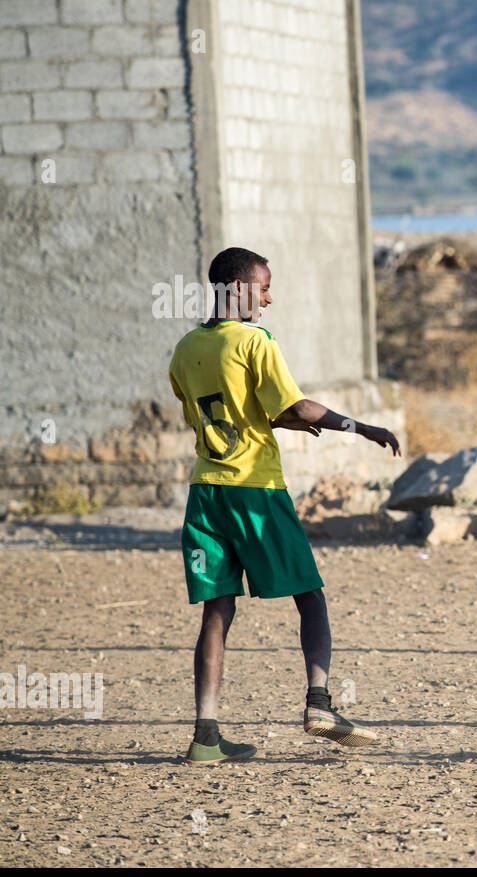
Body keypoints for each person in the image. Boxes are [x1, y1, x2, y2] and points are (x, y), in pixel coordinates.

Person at [168, 247, 401, 765]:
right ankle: (319, 704)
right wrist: (361, 427)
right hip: (257, 491)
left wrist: (284, 420)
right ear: (237, 287)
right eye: (264, 287)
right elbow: (294, 404)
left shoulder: (184, 349)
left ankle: (206, 736)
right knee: (310, 596)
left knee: (217, 610)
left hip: (206, 493)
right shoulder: (254, 340)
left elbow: (225, 416)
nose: (269, 298)